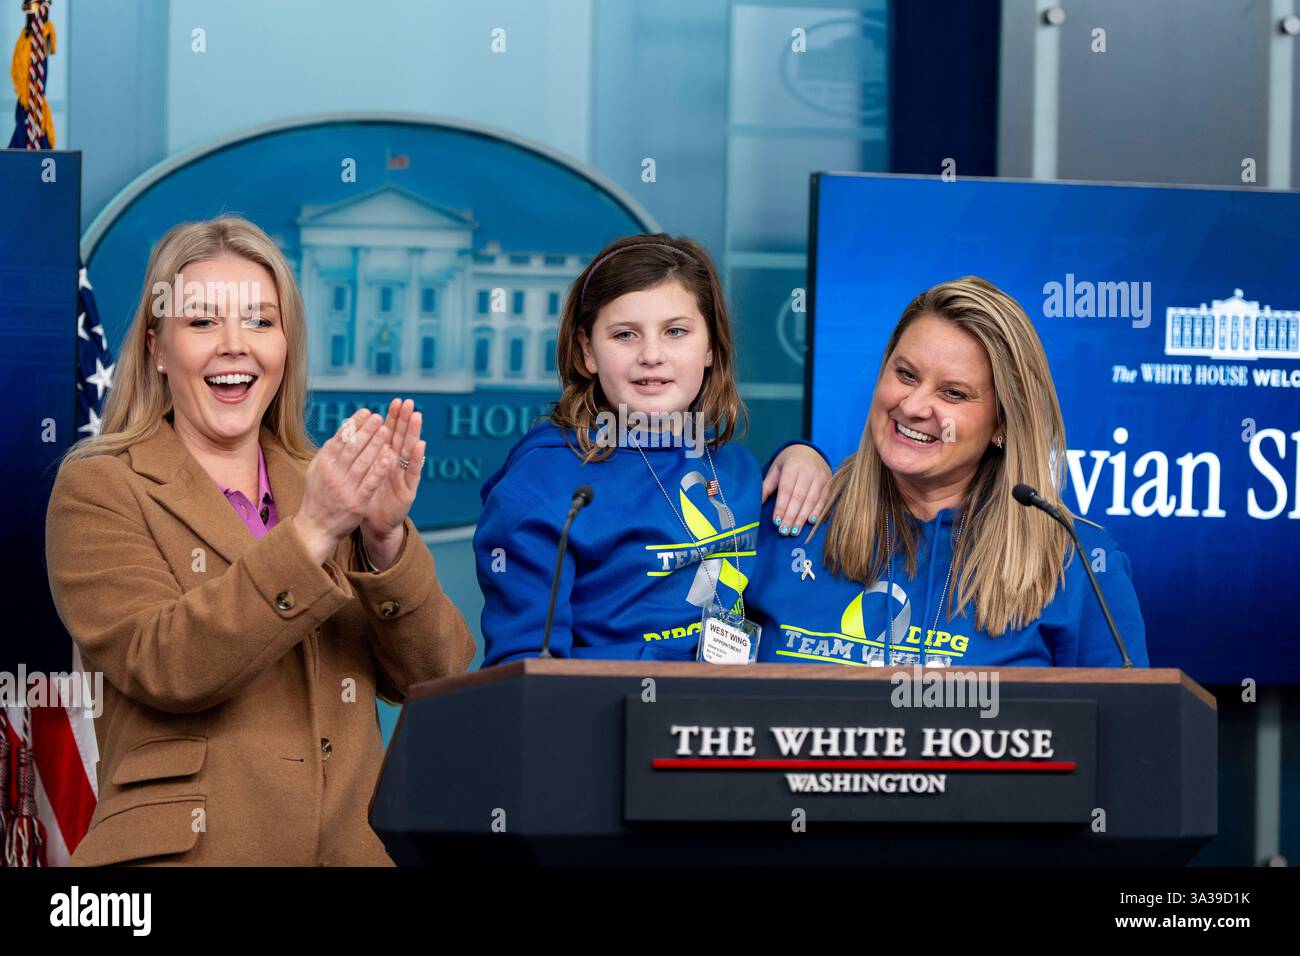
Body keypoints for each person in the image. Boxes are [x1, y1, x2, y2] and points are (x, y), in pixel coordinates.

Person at [45, 216, 476, 865]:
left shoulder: (326, 487)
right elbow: (168, 664)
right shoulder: (99, 485)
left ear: (285, 347)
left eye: (259, 321)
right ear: (158, 348)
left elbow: (436, 675)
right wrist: (312, 534)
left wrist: (386, 541)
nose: (234, 345)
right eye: (202, 322)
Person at [750, 276, 1148, 668]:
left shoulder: (1081, 568)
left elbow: (1126, 727)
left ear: (1002, 425)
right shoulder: (790, 517)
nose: (914, 406)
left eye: (953, 393)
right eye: (905, 374)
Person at [474, 234, 830, 665]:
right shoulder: (543, 483)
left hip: (725, 721)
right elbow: (526, 670)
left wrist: (804, 455)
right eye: (625, 335)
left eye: (675, 331)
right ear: (588, 351)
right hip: (610, 720)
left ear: (711, 348)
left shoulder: (737, 468)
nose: (652, 355)